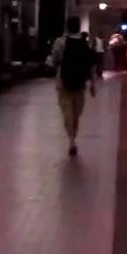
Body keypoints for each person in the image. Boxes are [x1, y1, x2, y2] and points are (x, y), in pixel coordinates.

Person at [48, 16, 97, 156]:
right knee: (76, 114)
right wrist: (93, 84)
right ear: (79, 27)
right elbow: (91, 65)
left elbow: (54, 60)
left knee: (67, 113)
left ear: (67, 27)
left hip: (63, 82)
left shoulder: (60, 42)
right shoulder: (85, 43)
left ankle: (71, 140)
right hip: (80, 84)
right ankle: (72, 138)